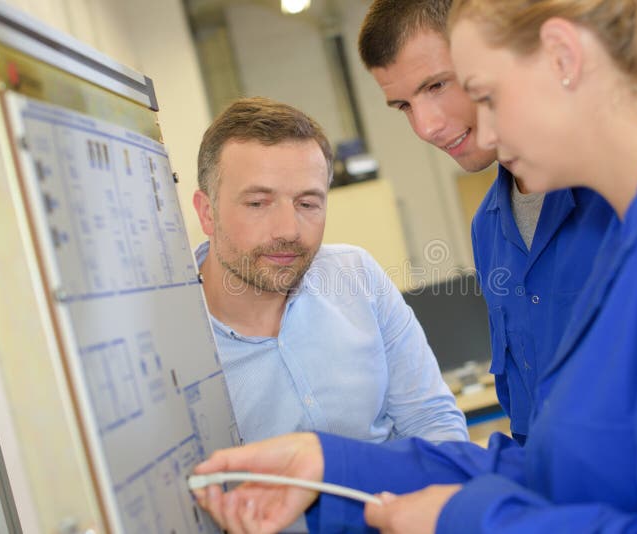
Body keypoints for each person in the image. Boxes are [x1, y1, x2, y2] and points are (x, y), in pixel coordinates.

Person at [192, 1, 637, 532]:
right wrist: (331, 461)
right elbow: (558, 466)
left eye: (485, 95)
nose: (480, 131)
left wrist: (465, 518)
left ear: (563, 58)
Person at [358, 0, 614, 443]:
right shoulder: (489, 228)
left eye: (437, 85)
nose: (425, 127)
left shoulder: (625, 182)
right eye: (403, 106)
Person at [192, 96, 468, 446]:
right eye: (258, 203)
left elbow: (432, 422)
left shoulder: (357, 276)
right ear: (207, 213)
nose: (289, 230)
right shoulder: (172, 345)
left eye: (307, 203)